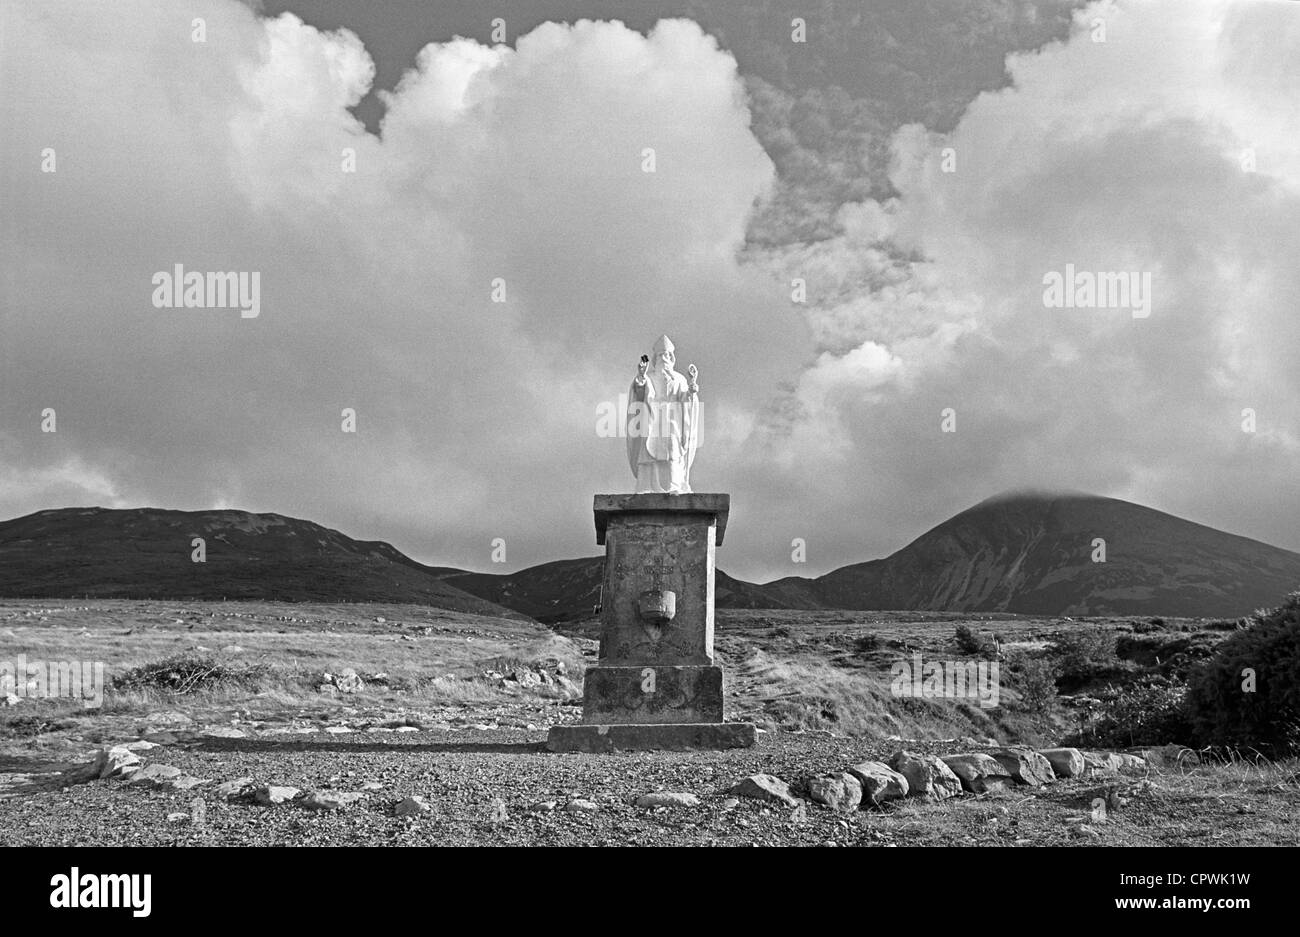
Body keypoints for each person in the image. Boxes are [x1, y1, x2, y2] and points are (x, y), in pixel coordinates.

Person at [626, 334, 699, 494]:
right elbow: (639, 392)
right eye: (660, 355)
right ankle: (647, 486)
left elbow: (685, 398)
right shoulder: (649, 377)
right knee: (649, 451)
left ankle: (673, 485)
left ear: (671, 357)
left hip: (672, 421)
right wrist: (641, 376)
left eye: (666, 355)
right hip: (653, 418)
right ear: (656, 358)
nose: (664, 358)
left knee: (672, 450)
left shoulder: (679, 379)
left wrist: (691, 392)